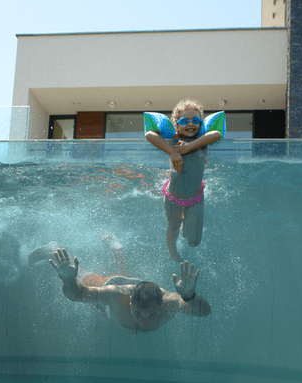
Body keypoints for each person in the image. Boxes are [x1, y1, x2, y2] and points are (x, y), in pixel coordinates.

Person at [47, 246, 211, 333]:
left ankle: (117, 250)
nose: (144, 321)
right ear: (130, 302)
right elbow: (77, 295)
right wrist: (68, 278)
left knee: (124, 275)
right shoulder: (115, 295)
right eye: (138, 313)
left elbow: (204, 312)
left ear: (161, 305)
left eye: (151, 315)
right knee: (84, 275)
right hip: (114, 287)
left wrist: (189, 296)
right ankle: (53, 248)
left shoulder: (169, 302)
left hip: (136, 287)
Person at [145, 100, 222, 262]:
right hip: (172, 197)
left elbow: (217, 134)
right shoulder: (173, 139)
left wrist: (189, 147)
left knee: (193, 242)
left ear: (201, 124)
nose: (190, 124)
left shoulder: (202, 140)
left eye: (196, 120)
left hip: (194, 199)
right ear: (176, 125)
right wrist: (172, 152)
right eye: (184, 121)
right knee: (173, 226)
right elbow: (149, 134)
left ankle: (188, 223)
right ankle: (173, 252)